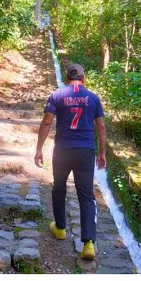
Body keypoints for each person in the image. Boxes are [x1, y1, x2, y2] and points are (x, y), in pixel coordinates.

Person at [35, 63, 108, 260]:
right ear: (83, 79)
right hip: (85, 151)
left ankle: (60, 228)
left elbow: (47, 122)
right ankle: (89, 243)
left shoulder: (57, 95)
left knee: (59, 188)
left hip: (63, 150)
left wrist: (39, 149)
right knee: (86, 195)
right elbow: (101, 127)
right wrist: (102, 153)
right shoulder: (93, 98)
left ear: (68, 78)